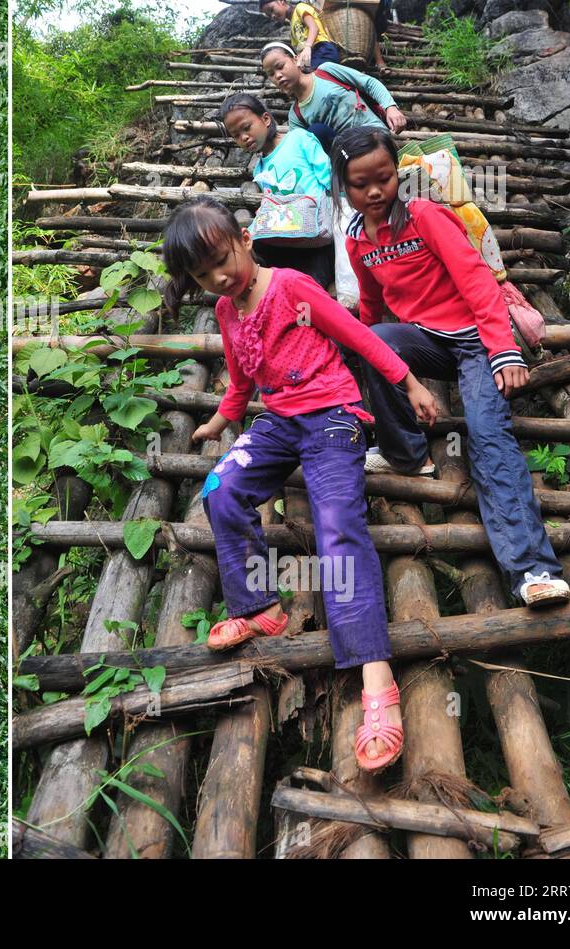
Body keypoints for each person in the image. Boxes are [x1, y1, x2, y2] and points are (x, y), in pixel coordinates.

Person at [162, 195, 429, 772]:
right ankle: (259, 607)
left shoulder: (293, 288)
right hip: (279, 421)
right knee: (219, 490)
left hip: (334, 416)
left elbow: (361, 338)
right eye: (203, 274)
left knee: (337, 527)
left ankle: (375, 678)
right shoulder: (228, 312)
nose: (218, 277)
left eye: (222, 259)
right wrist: (216, 422)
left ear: (244, 239)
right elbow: (239, 383)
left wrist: (409, 383)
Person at [332, 126, 570, 608]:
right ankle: (406, 455)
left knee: (488, 436)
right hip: (428, 342)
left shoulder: (426, 216)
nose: (375, 191)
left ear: (397, 174)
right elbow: (373, 309)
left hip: (477, 341)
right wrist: (355, 364)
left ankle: (532, 569)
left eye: (384, 177)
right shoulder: (359, 240)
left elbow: (476, 281)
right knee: (372, 340)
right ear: (344, 186)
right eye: (361, 184)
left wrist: (502, 349)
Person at [218, 92, 335, 293]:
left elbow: (327, 174)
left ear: (265, 119)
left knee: (312, 286)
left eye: (246, 128)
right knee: (255, 249)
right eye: (236, 135)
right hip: (289, 239)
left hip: (317, 233)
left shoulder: (299, 139)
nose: (244, 137)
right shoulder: (260, 169)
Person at [260, 42, 406, 156]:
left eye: (280, 66)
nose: (277, 75)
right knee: (316, 132)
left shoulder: (326, 71)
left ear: (296, 59)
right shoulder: (296, 115)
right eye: (271, 74)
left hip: (376, 137)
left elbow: (368, 83)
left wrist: (390, 107)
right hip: (350, 155)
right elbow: (304, 150)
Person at [257, 0, 341, 70]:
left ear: (280, 0)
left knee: (315, 78)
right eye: (269, 15)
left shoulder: (300, 8)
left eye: (271, 10)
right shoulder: (292, 28)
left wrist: (307, 47)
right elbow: (300, 50)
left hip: (322, 49)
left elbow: (314, 27)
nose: (273, 16)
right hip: (311, 57)